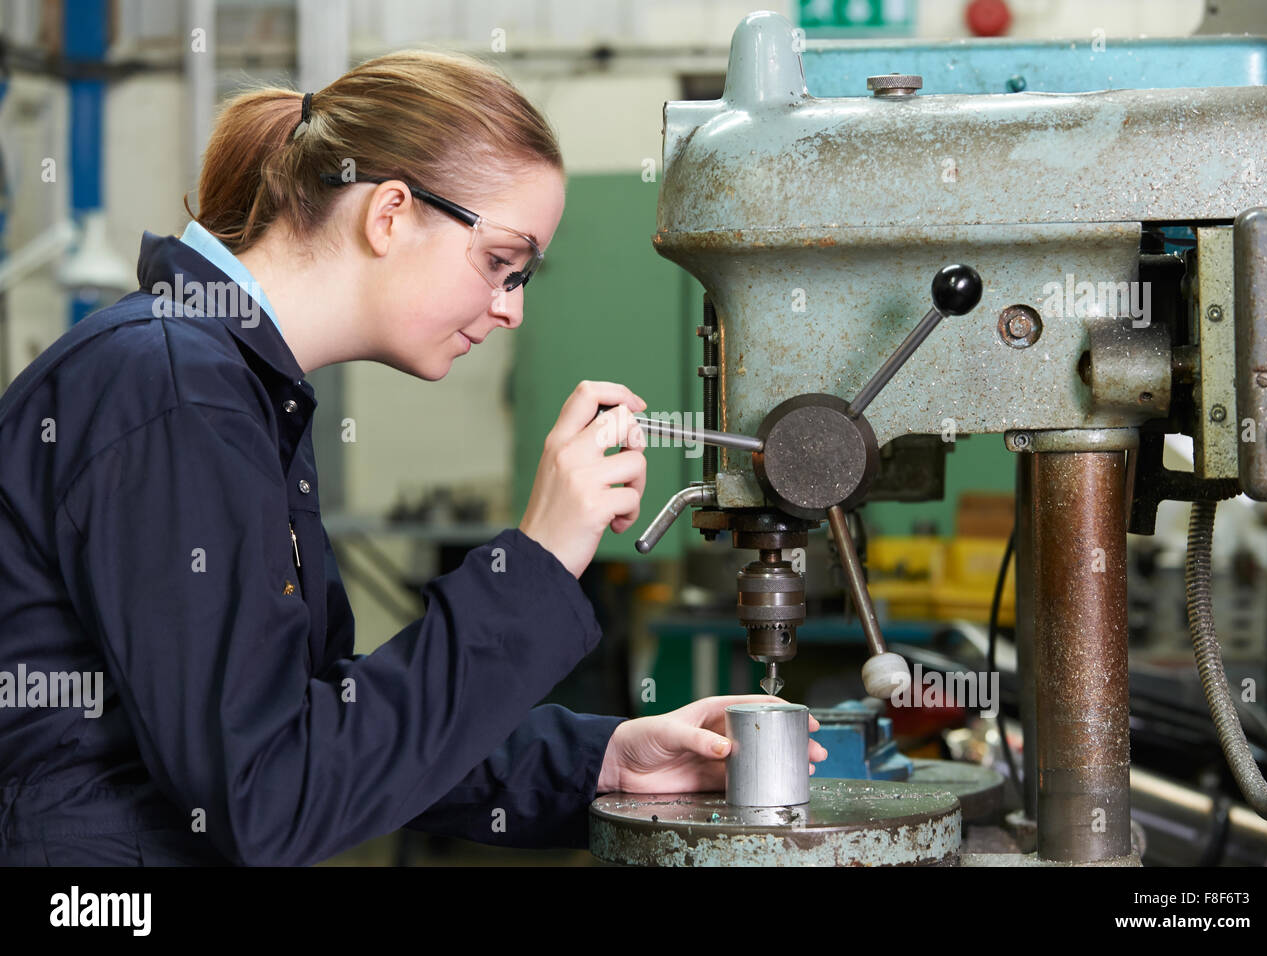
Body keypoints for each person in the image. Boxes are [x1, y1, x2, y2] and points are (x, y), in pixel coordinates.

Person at [0, 50, 824, 865]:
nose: (511, 311)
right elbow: (266, 798)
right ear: (390, 212)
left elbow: (325, 735)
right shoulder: (171, 390)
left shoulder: (234, 388)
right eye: (502, 264)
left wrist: (601, 761)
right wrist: (538, 560)